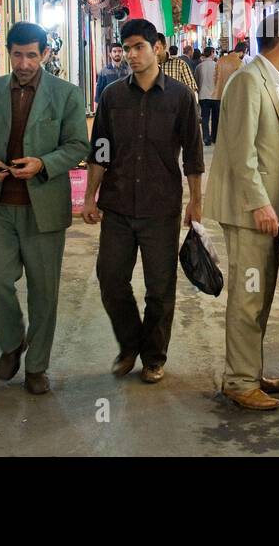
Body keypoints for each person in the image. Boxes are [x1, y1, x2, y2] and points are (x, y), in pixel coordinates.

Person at [0, 23, 90, 395]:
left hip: (43, 207)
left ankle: (37, 367)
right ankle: (11, 341)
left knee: (44, 291)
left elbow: (77, 145)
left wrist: (44, 163)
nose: (24, 63)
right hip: (0, 204)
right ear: (9, 52)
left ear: (46, 54)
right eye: (17, 54)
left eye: (32, 55)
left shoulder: (66, 94)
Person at [83, 19, 204, 384]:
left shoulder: (181, 98)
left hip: (160, 205)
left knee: (160, 287)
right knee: (111, 278)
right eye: (127, 47)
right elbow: (100, 149)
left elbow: (194, 154)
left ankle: (153, 357)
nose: (132, 55)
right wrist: (90, 196)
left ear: (158, 48)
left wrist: (196, 200)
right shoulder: (113, 96)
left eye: (139, 46)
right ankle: (130, 343)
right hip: (117, 204)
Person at [208, 13, 279, 411]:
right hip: (251, 210)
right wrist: (260, 203)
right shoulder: (249, 82)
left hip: (267, 210)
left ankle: (249, 369)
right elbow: (240, 152)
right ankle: (239, 382)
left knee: (258, 295)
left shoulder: (269, 81)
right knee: (247, 295)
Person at [195, 47, 219, 145]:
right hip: (215, 95)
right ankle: (214, 137)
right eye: (214, 52)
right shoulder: (217, 65)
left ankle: (206, 138)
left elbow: (196, 81)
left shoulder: (199, 66)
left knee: (205, 118)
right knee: (215, 118)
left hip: (203, 95)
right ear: (212, 53)